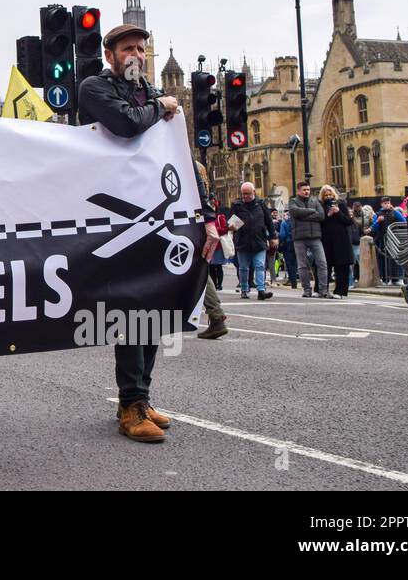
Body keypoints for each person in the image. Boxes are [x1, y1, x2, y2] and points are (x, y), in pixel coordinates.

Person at [76, 23, 219, 443]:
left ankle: (139, 399)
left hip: (158, 212)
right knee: (129, 309)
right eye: (128, 48)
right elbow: (124, 125)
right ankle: (131, 403)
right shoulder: (93, 88)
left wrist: (208, 215)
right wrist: (163, 107)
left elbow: (185, 163)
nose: (136, 54)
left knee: (153, 308)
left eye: (141, 47)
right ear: (110, 55)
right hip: (115, 216)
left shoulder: (152, 98)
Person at [194, 162, 229, 340]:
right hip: (197, 223)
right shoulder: (199, 170)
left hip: (189, 223)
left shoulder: (186, 164)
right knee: (198, 270)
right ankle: (216, 316)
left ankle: (216, 315)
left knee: (196, 270)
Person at [230, 182, 276, 300]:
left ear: (253, 192)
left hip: (259, 241)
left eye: (248, 194)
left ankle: (261, 290)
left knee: (260, 266)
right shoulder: (237, 205)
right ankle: (244, 289)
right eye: (243, 194)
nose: (245, 196)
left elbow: (269, 222)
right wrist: (231, 225)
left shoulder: (261, 204)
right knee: (244, 268)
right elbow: (229, 220)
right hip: (242, 241)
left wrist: (273, 237)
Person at [288, 181, 331, 298]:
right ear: (298, 191)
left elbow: (321, 216)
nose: (307, 192)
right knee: (302, 266)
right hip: (299, 237)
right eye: (304, 190)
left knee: (322, 263)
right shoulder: (293, 202)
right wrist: (312, 211)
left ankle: (323, 290)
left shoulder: (315, 201)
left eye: (308, 189)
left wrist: (303, 216)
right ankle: (307, 290)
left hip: (315, 237)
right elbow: (295, 212)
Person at [318, 185, 354, 299]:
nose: (328, 197)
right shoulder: (320, 206)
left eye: (330, 195)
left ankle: (340, 291)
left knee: (342, 266)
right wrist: (328, 215)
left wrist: (338, 212)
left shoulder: (341, 205)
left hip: (341, 240)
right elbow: (319, 222)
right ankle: (321, 289)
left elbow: (348, 221)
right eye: (326, 195)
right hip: (326, 240)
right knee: (324, 266)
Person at [370, 196, 407, 286]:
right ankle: (385, 279)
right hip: (382, 239)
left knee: (397, 259)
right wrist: (378, 221)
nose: (387, 205)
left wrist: (395, 212)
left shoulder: (395, 212)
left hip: (394, 240)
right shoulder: (378, 214)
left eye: (388, 203)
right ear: (382, 204)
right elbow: (374, 229)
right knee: (383, 260)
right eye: (385, 203)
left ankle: (398, 278)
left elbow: (403, 221)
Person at [278, 211, 298, 287]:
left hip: (288, 244)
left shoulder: (284, 223)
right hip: (298, 243)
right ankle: (298, 280)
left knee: (290, 264)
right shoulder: (297, 222)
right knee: (297, 263)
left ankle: (293, 282)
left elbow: (282, 235)